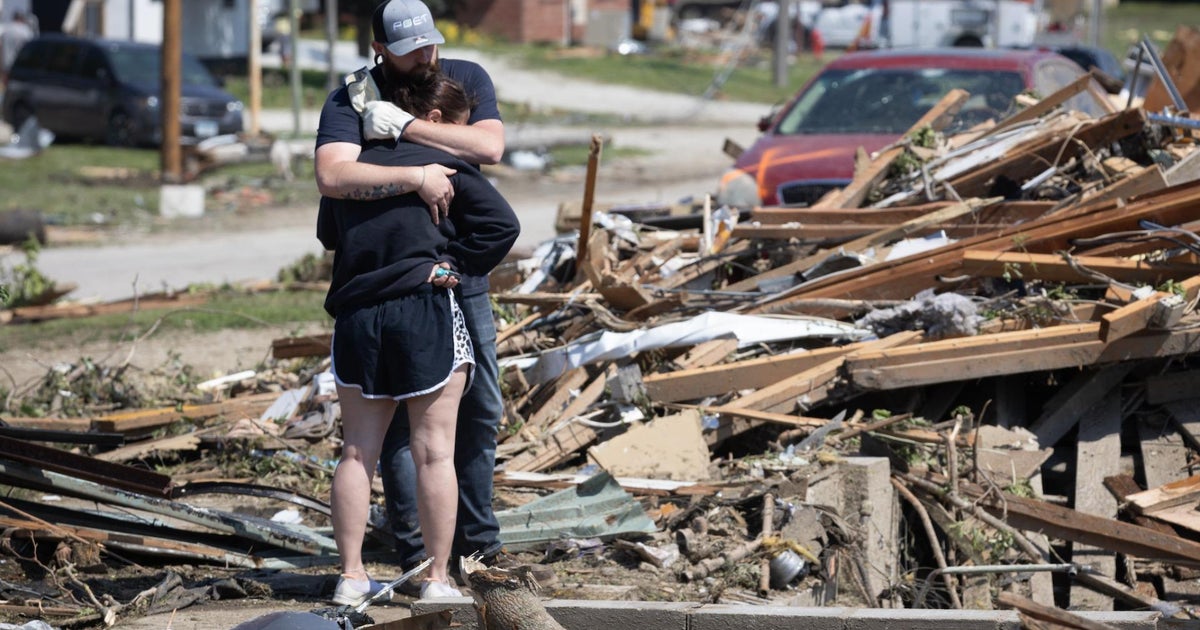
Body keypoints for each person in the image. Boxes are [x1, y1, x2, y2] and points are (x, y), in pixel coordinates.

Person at [313, 0, 509, 600]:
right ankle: (427, 563)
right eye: (410, 50)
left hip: (421, 288)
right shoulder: (349, 98)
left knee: (472, 416)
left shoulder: (465, 77)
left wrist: (404, 130)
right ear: (380, 51)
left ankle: (470, 548)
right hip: (425, 295)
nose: (425, 57)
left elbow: (489, 147)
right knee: (425, 445)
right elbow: (330, 177)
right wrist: (418, 177)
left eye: (430, 45)